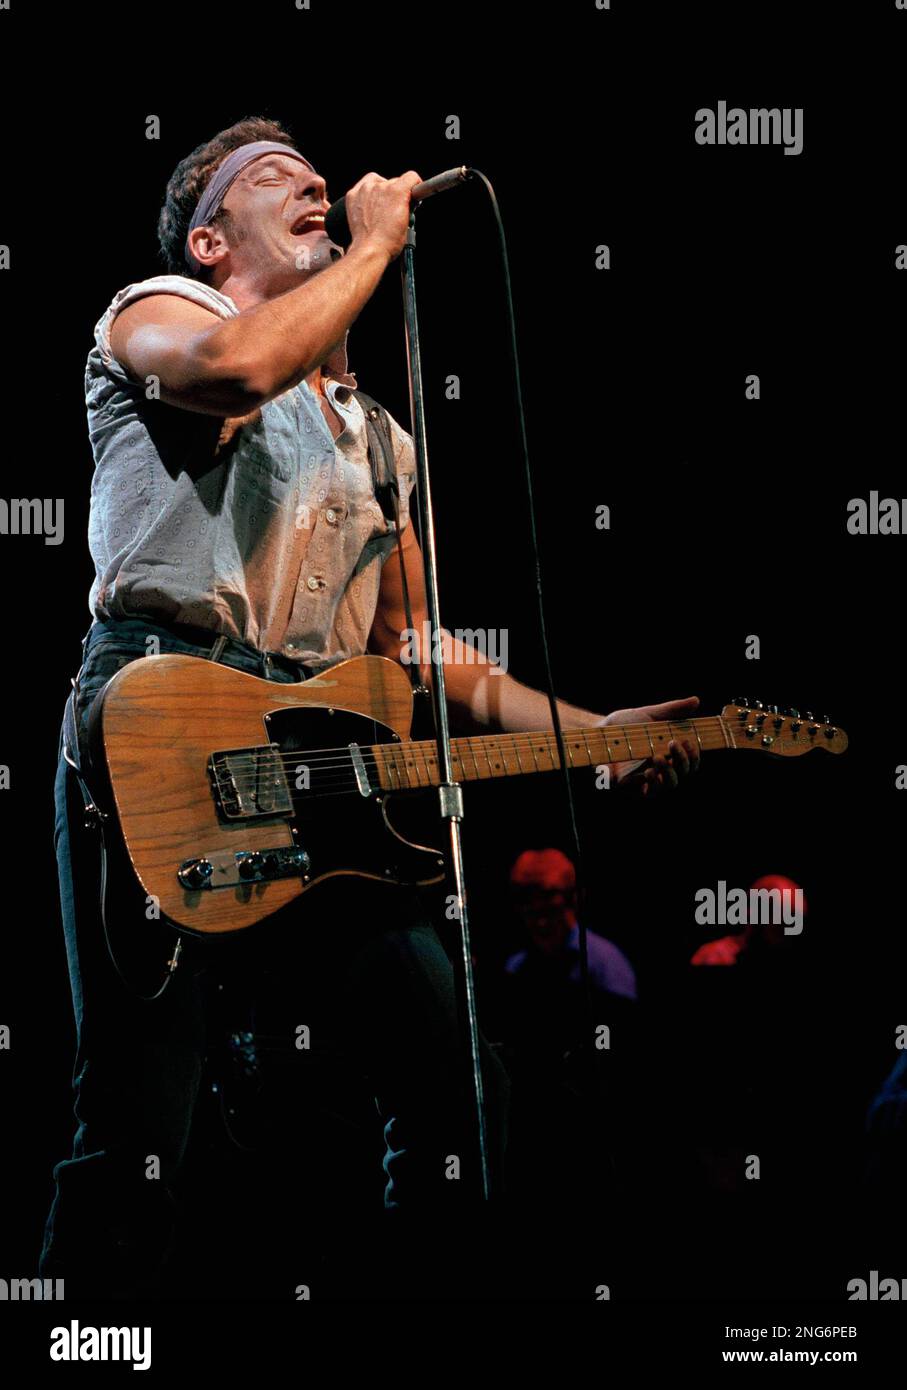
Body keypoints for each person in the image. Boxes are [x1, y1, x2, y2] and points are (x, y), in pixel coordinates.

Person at [39, 116, 701, 1299]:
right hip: (163, 727)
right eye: (271, 181)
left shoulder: (384, 444)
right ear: (206, 237)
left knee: (455, 1076)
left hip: (317, 770)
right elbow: (240, 372)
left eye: (314, 177)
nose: (308, 187)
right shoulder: (155, 313)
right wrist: (377, 242)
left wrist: (590, 732)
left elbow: (418, 647)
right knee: (138, 1125)